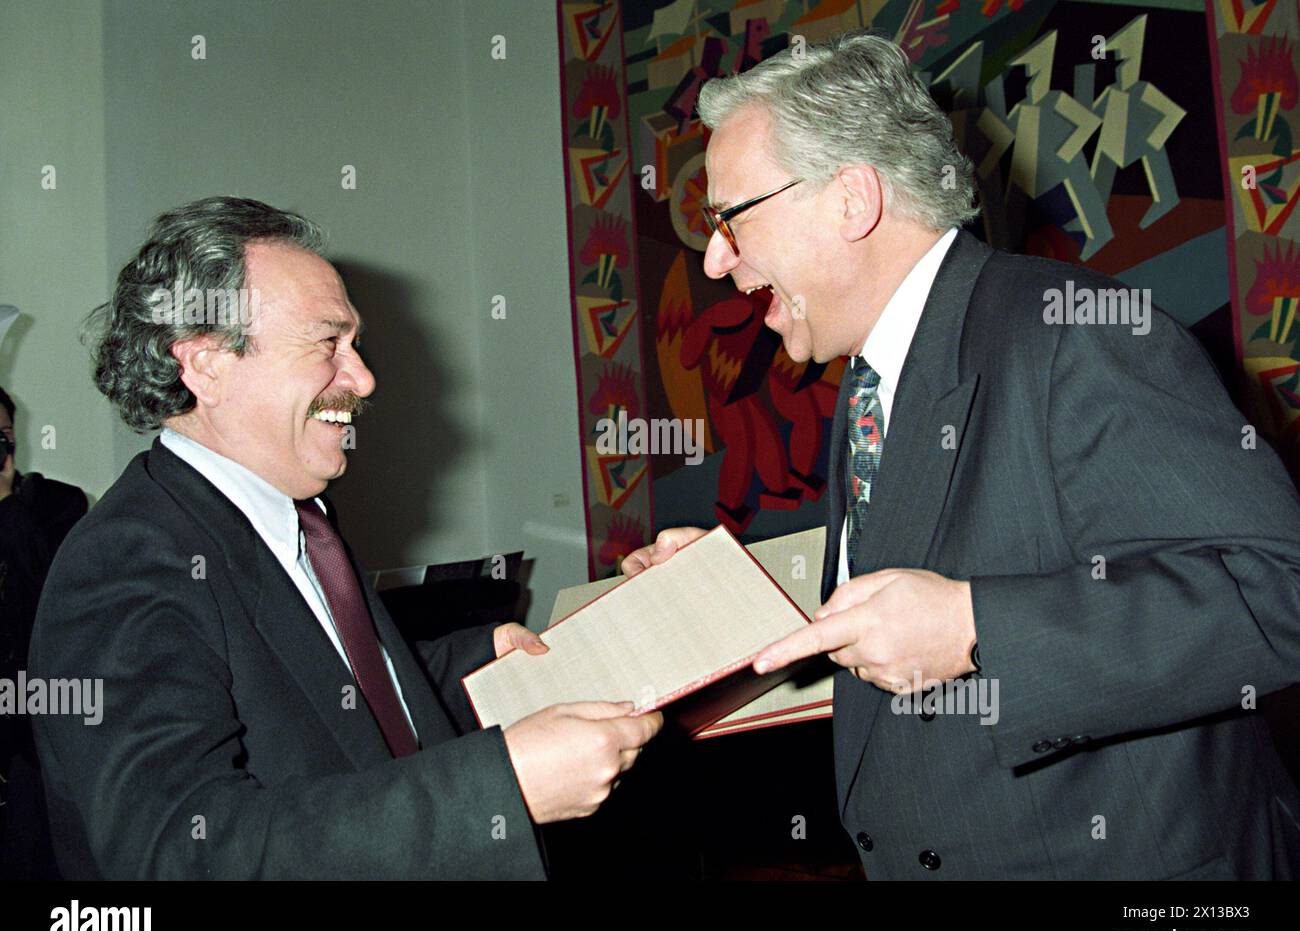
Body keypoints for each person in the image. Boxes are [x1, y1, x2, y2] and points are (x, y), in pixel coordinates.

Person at [624, 31, 1300, 879]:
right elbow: (927, 583)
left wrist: (976, 630)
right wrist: (733, 594)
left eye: (729, 219)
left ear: (851, 200)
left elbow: (1279, 590)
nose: (717, 262)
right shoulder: (875, 378)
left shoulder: (1071, 333)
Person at [29, 197, 661, 879]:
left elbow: (324, 703)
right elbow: (181, 855)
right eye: (327, 344)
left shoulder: (297, 516)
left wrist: (482, 658)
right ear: (207, 365)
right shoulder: (125, 558)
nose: (362, 379)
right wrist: (499, 790)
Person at [0, 385, 87, 878]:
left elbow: (50, 609)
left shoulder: (56, 506)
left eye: (5, 437)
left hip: (32, 740)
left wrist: (7, 507)